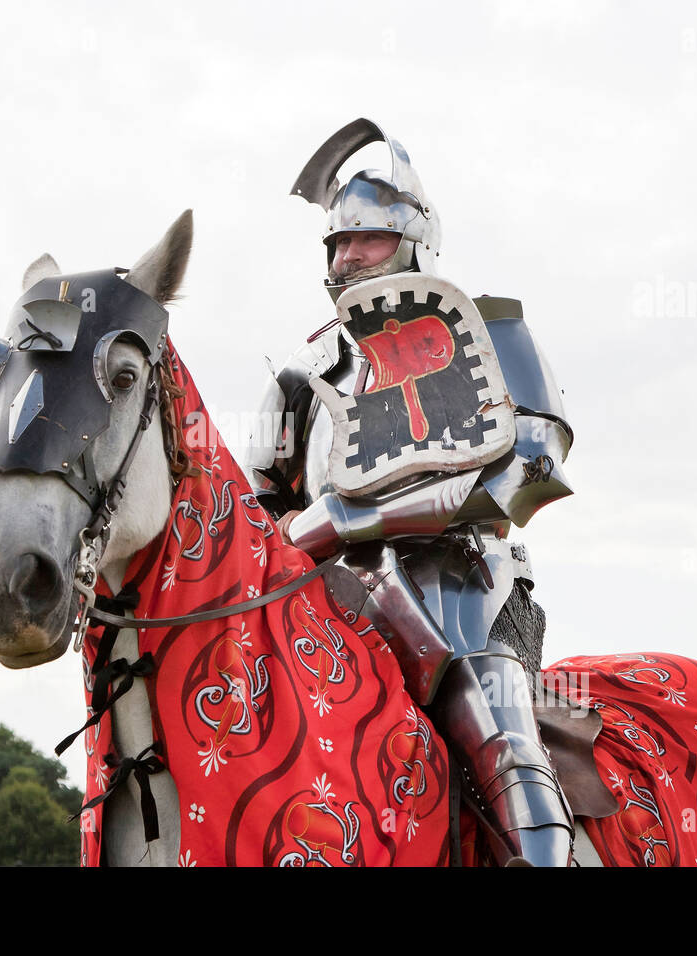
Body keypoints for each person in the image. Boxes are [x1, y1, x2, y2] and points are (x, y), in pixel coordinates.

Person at [243, 118, 577, 866]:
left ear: (415, 240)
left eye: (366, 237)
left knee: (508, 760)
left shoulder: (485, 334)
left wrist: (350, 515)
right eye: (336, 241)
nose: (346, 255)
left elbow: (531, 462)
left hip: (462, 592)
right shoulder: (301, 382)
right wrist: (299, 530)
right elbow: (256, 515)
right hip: (321, 611)